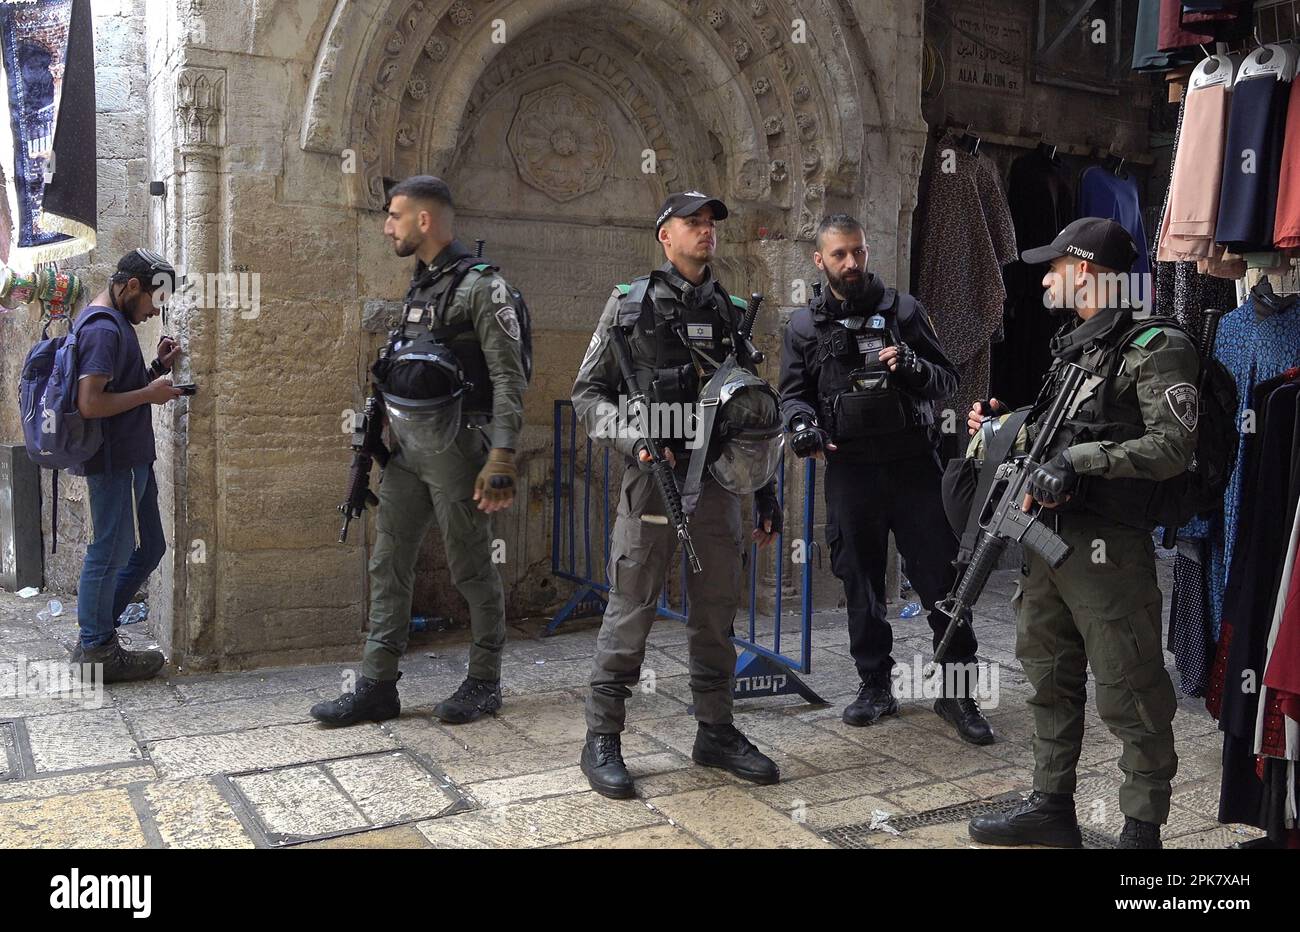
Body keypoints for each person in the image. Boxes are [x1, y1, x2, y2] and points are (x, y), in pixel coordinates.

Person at [967, 217, 1198, 849]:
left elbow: (1174, 445)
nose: (1045, 278)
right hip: (1048, 541)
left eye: (1054, 267)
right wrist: (1006, 422)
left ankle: (1142, 828)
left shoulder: (1155, 345)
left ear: (1087, 273)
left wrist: (1082, 463)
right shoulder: (1077, 344)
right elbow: (1060, 430)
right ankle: (1050, 804)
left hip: (1108, 550)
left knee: (1131, 686)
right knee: (1047, 672)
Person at [571, 191, 783, 799]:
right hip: (652, 479)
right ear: (665, 235)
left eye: (711, 223)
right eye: (693, 223)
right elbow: (589, 396)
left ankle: (715, 730)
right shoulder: (628, 305)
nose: (705, 231)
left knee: (715, 611)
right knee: (631, 608)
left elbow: (749, 410)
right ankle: (602, 737)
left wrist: (765, 492)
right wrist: (633, 439)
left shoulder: (731, 310)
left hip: (718, 483)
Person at [311, 175, 528, 727]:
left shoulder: (482, 286)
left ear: (424, 221)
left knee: (472, 567)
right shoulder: (422, 285)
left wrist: (502, 456)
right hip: (408, 451)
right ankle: (378, 684)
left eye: (394, 216)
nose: (387, 227)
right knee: (388, 562)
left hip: (460, 449)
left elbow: (508, 376)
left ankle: (484, 681)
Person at [778, 215, 994, 745]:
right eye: (839, 256)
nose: (851, 264)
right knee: (860, 581)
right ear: (820, 261)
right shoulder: (803, 327)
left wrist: (913, 367)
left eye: (858, 252)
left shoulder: (904, 311)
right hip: (851, 471)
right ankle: (875, 685)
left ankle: (957, 692)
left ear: (867, 251)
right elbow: (792, 394)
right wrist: (801, 425)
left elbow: (948, 379)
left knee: (942, 581)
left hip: (914, 468)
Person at [71, 250, 184, 682]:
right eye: (154, 300)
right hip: (113, 458)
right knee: (109, 552)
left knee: (150, 545)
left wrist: (155, 368)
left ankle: (96, 636)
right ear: (131, 286)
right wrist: (149, 395)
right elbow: (91, 402)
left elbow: (118, 386)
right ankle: (98, 647)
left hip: (133, 455)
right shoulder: (102, 328)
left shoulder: (115, 323)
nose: (154, 310)